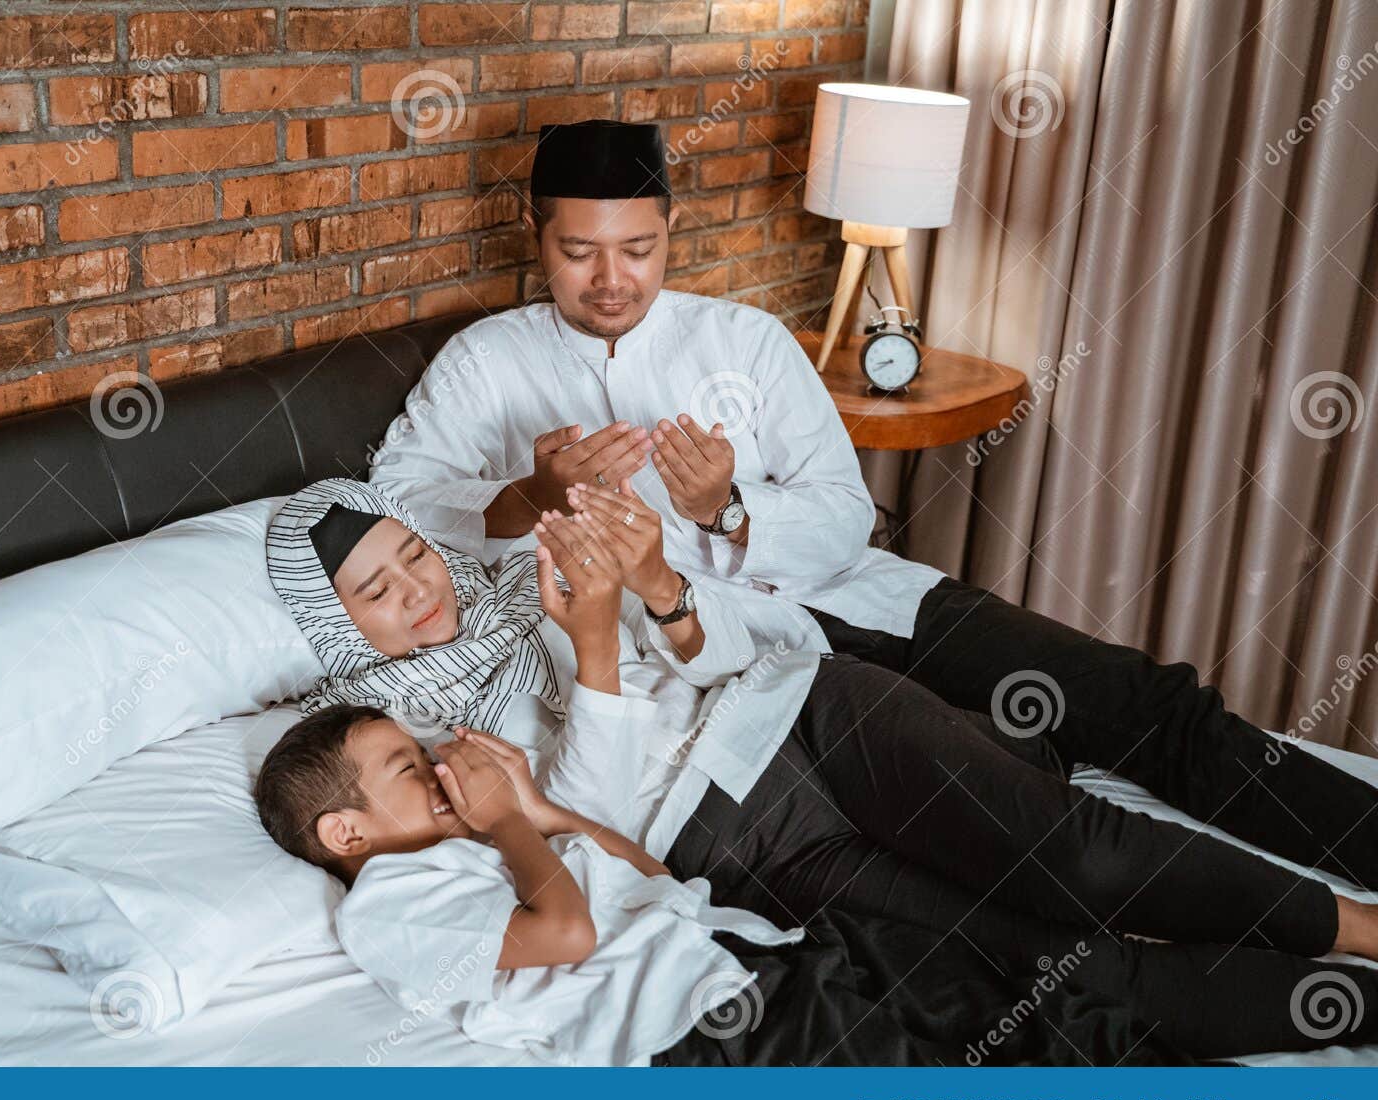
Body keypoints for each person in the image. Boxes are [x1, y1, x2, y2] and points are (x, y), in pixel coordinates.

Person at [365, 117, 1378, 962]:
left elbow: (847, 511)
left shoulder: (743, 340)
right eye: (577, 251)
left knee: (1148, 707)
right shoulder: (485, 363)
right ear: (533, 235)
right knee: (1026, 843)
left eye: (638, 249)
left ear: (673, 229)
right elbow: (395, 496)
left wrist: (727, 508)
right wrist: (529, 489)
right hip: (741, 677)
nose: (610, 279)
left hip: (865, 603)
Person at [260, 477, 1378, 1061]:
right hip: (742, 853)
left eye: (413, 552)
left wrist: (656, 593)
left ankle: (1366, 927)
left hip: (801, 712)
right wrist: (595, 650)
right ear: (338, 622)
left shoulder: (532, 576)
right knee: (1047, 965)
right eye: (379, 590)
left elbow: (734, 646)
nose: (419, 589)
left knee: (1086, 855)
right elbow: (586, 836)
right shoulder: (388, 743)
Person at [255, 702, 1195, 1066]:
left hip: (766, 952)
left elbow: (654, 874)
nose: (435, 767)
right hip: (708, 1025)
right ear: (347, 831)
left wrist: (538, 812)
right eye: (405, 768)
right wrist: (502, 823)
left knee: (1033, 1015)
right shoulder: (387, 910)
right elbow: (569, 937)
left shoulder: (493, 840)